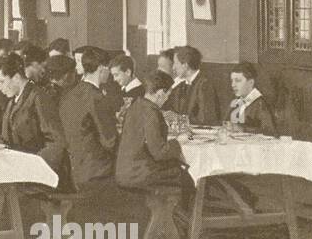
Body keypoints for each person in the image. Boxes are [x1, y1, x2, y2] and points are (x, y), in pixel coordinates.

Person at [116, 71, 192, 210]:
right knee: (187, 177)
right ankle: (184, 222)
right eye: (168, 94)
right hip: (140, 173)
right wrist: (179, 141)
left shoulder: (137, 105)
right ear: (160, 92)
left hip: (126, 170)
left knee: (179, 170)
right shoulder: (151, 112)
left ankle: (171, 218)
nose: (167, 98)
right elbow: (159, 152)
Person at [58, 47, 119, 192]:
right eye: (108, 68)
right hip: (97, 172)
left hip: (74, 170)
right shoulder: (97, 97)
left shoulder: (70, 94)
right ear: (101, 68)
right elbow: (109, 142)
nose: (109, 73)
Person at [0, 53, 66, 176]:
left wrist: (33, 167)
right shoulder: (13, 100)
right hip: (18, 170)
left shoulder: (39, 97)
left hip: (37, 173)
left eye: (1, 82)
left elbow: (57, 142)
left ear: (16, 77)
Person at [166, 45, 221, 125]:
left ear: (185, 65)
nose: (173, 68)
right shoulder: (181, 86)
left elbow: (205, 119)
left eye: (175, 63)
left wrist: (178, 119)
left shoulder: (205, 85)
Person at [229, 61, 277, 134]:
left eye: (237, 81)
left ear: (251, 82)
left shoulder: (260, 103)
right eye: (232, 81)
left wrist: (243, 129)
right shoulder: (237, 101)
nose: (233, 85)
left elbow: (270, 132)